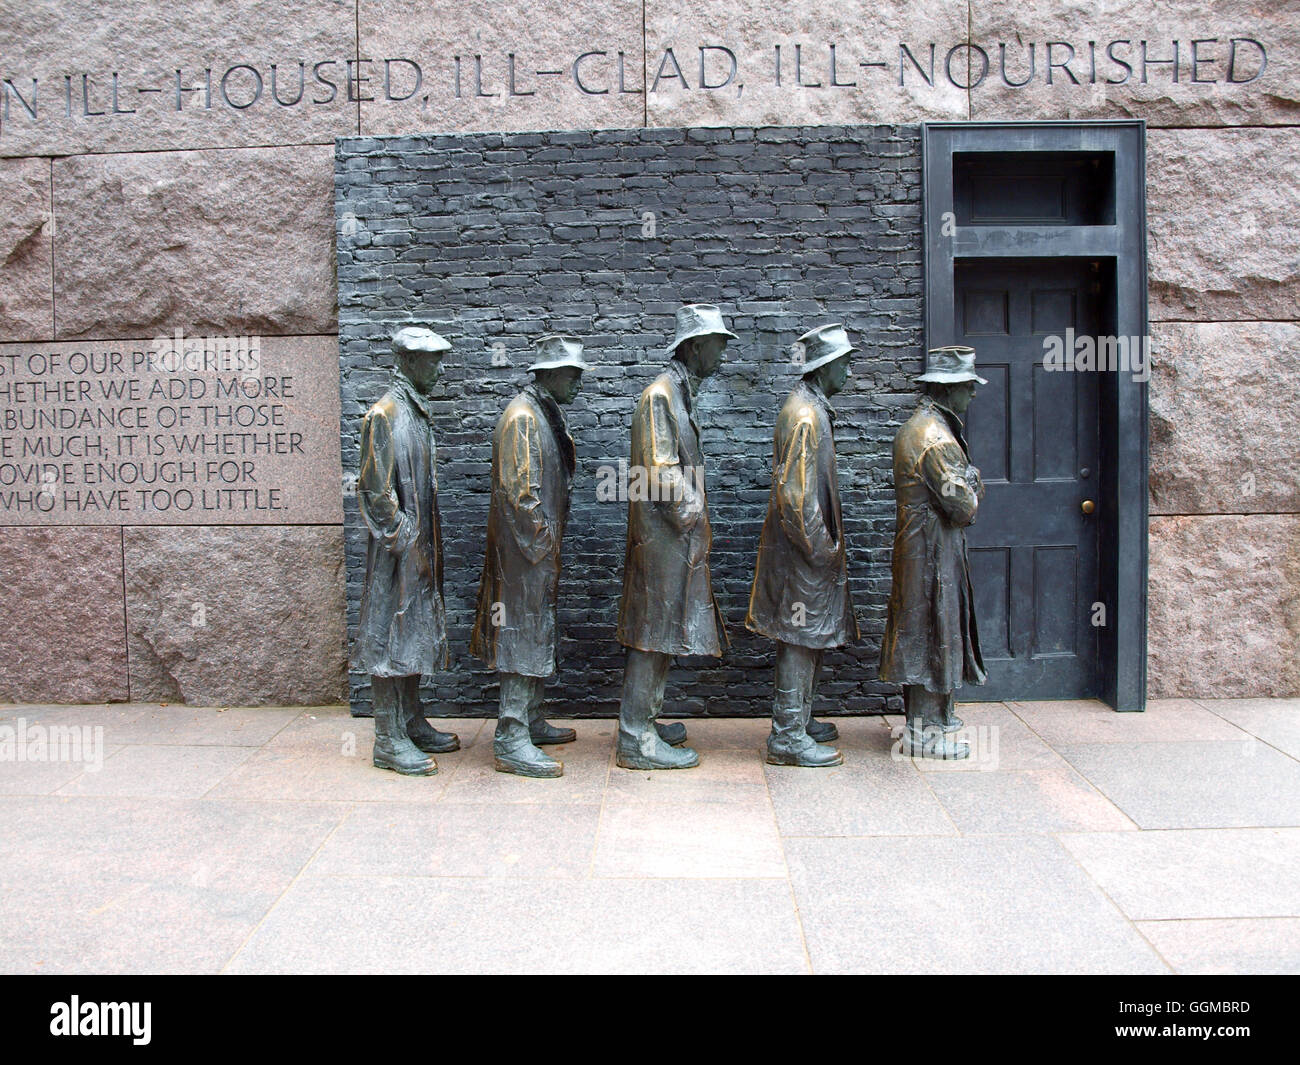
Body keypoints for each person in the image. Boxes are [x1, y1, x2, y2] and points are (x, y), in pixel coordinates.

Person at [614, 304, 735, 770]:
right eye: (717, 342)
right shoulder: (660, 397)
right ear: (693, 346)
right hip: (662, 542)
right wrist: (695, 514)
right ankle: (635, 737)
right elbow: (659, 472)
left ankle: (645, 719)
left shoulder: (678, 394)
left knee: (663, 633)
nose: (722, 352)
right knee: (652, 633)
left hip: (671, 541)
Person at [470, 335, 588, 778]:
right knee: (520, 635)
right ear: (549, 374)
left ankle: (532, 717)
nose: (578, 382)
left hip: (534, 555)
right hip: (524, 557)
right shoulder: (523, 417)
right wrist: (543, 546)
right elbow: (521, 497)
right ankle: (511, 736)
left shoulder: (542, 412)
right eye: (572, 373)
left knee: (535, 631)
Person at [746, 324, 859, 767]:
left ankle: (800, 718)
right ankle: (788, 735)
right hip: (803, 553)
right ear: (826, 366)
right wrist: (821, 549)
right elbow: (795, 495)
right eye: (845, 364)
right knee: (798, 635)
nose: (849, 373)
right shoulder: (806, 415)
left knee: (808, 634)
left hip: (805, 550)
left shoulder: (810, 408)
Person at [354, 326, 460, 776]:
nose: (439, 368)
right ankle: (387, 737)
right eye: (432, 361)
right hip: (396, 552)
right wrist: (403, 535)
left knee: (412, 629)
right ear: (408, 362)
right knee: (388, 632)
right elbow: (375, 491)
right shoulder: (385, 413)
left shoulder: (416, 411)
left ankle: (412, 720)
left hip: (418, 548)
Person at [879, 345, 988, 759]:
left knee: (928, 629)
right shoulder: (935, 440)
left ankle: (934, 720)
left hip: (924, 547)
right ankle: (924, 733)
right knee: (929, 632)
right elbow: (962, 506)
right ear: (948, 390)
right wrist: (974, 482)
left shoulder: (922, 427)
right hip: (931, 552)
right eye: (967, 387)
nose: (972, 396)